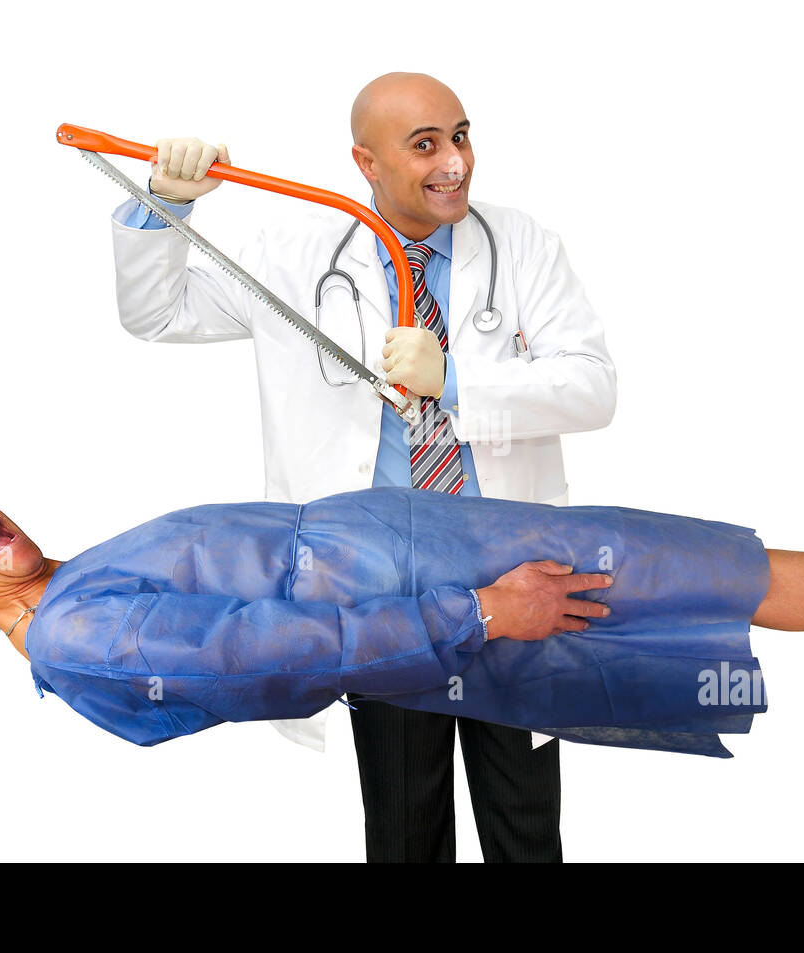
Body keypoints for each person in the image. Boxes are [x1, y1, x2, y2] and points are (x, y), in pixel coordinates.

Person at [108, 73, 616, 861]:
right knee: (405, 829)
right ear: (365, 162)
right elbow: (157, 312)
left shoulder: (522, 245)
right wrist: (168, 204)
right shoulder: (293, 255)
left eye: (461, 135)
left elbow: (592, 387)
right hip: (378, 591)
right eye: (425, 145)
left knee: (525, 830)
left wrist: (450, 378)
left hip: (516, 579)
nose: (455, 161)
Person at [0, 431, 804, 762]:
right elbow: (265, 656)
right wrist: (473, 614)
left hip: (400, 553)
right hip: (426, 592)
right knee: (656, 576)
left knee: (649, 560)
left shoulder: (71, 596)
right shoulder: (72, 630)